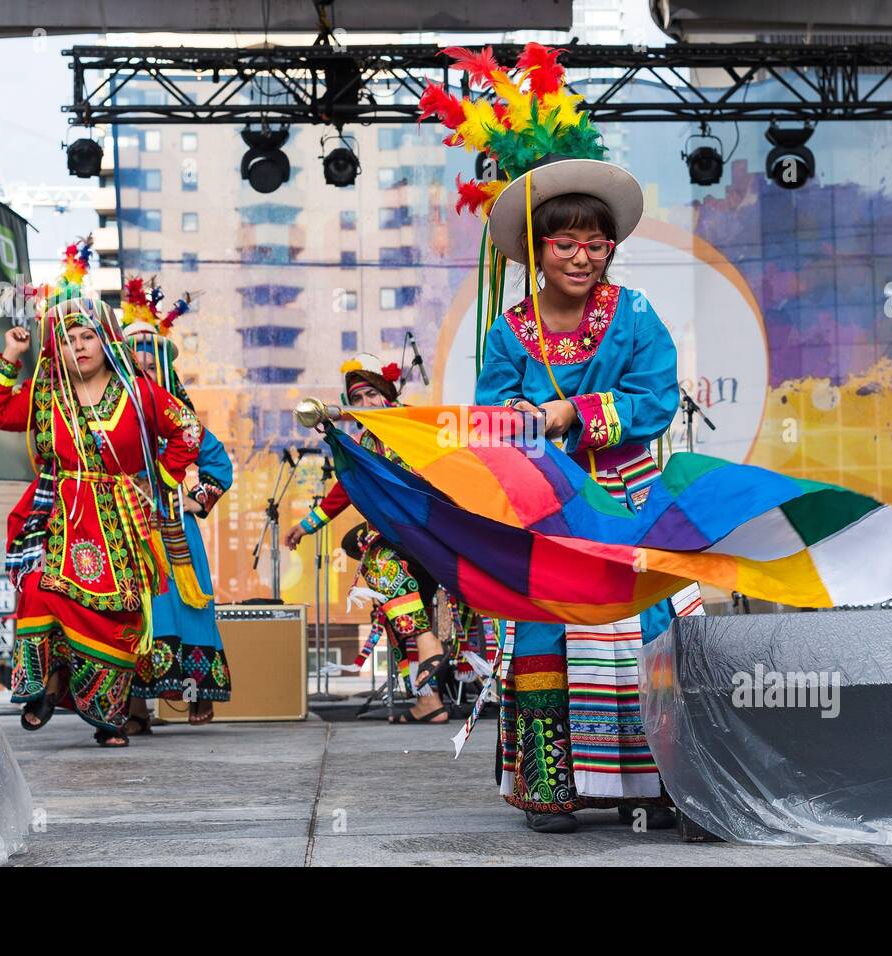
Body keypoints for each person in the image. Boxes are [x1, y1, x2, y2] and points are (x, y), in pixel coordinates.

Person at [423, 44, 703, 832]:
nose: (582, 255)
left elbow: (655, 400)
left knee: (651, 628)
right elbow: (490, 418)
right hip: (547, 505)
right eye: (565, 243)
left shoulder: (637, 315)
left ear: (611, 247)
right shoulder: (510, 333)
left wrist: (573, 414)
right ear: (537, 251)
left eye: (596, 243)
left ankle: (667, 784)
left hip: (628, 499)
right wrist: (526, 427)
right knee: (546, 629)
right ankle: (553, 787)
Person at [0, 247, 200, 746]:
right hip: (57, 509)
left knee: (117, 614)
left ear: (105, 340)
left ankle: (108, 715)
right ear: (58, 346)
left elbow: (187, 426)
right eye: (69, 338)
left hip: (120, 515)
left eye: (87, 336)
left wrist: (162, 476)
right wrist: (11, 355)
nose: (79, 346)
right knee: (37, 586)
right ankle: (44, 683)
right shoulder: (43, 394)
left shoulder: (140, 393)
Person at [284, 354, 478, 722]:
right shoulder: (368, 442)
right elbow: (345, 491)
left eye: (371, 394)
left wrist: (333, 412)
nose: (365, 404)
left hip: (435, 533)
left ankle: (429, 644)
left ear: (387, 393)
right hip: (405, 543)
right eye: (357, 400)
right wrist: (306, 526)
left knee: (376, 561)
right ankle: (428, 701)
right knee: (394, 608)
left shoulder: (410, 423)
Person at [118, 278, 235, 733]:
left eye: (152, 362)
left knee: (181, 605)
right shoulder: (106, 410)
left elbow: (218, 463)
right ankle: (134, 708)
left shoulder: (177, 414)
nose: (143, 367)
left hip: (169, 524)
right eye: (135, 362)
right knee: (132, 606)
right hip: (120, 519)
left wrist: (194, 499)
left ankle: (196, 694)